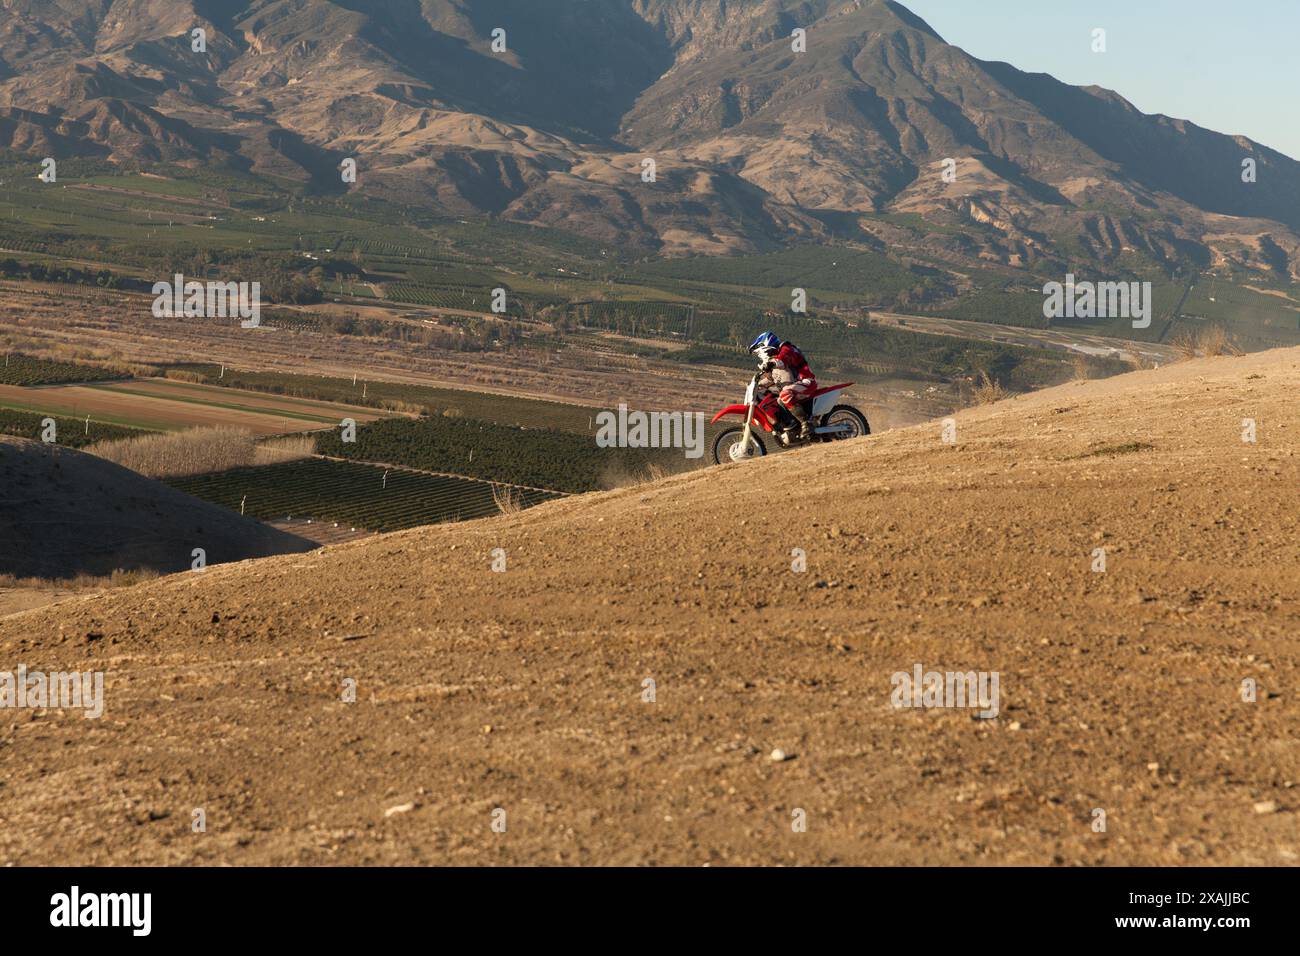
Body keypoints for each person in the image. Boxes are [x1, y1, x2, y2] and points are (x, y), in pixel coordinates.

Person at [748, 331, 817, 439]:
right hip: (796, 385)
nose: (760, 357)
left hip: (807, 381)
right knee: (775, 399)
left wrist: (772, 363)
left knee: (785, 394)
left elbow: (783, 359)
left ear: (764, 347)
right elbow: (772, 378)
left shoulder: (786, 348)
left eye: (759, 353)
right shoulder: (776, 360)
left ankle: (806, 423)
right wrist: (756, 385)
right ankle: (790, 426)